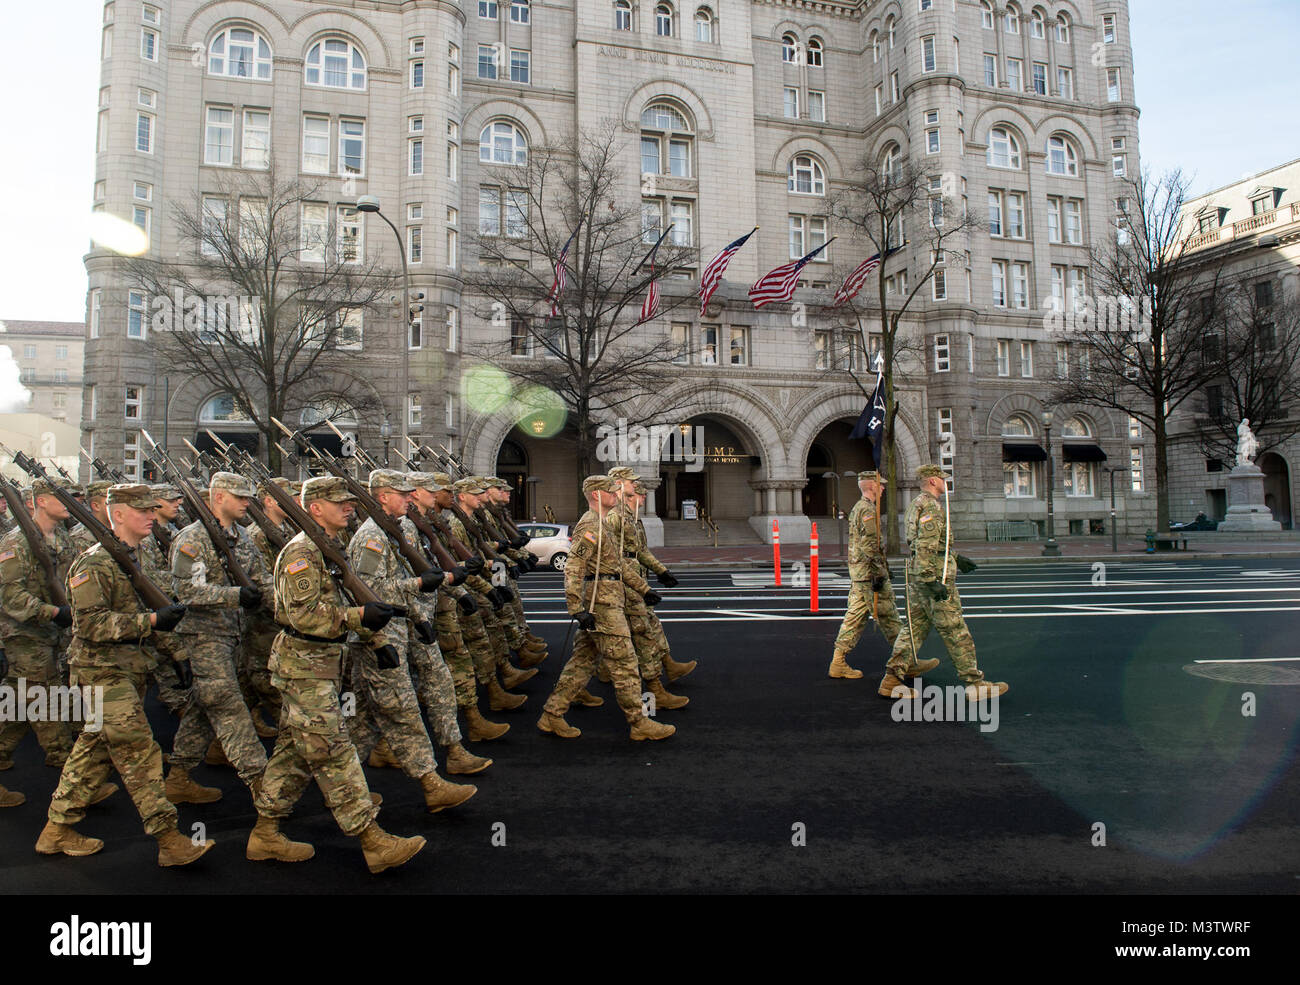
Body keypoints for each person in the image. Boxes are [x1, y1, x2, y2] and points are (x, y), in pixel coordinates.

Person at [247, 475, 425, 873]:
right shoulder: (301, 555)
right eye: (339, 502)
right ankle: (372, 839)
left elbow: (343, 599)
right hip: (303, 668)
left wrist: (377, 642)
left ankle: (265, 833)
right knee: (334, 752)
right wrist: (358, 616)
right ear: (315, 509)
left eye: (349, 502)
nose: (349, 507)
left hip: (321, 665)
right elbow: (304, 616)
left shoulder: (329, 549)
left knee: (292, 756)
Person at [37, 483, 211, 867]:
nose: (152, 515)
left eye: (153, 509)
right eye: (142, 510)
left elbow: (161, 609)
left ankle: (56, 830)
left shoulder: (144, 553)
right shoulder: (94, 563)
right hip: (100, 673)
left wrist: (175, 652)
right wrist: (149, 622)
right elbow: (91, 625)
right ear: (117, 514)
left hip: (133, 670)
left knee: (93, 752)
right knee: (138, 751)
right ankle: (170, 840)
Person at [538, 475, 674, 742]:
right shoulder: (589, 526)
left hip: (608, 598)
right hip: (602, 604)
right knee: (624, 663)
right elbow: (574, 568)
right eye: (611, 492)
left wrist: (644, 589)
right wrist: (576, 607)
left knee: (582, 661)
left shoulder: (601, 525)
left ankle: (552, 715)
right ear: (597, 495)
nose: (616, 495)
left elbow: (619, 566)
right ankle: (638, 722)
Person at [164, 472, 270, 804]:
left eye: (248, 497)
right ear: (219, 497)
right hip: (203, 636)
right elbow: (185, 591)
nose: (246, 503)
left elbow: (260, 579)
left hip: (233, 635)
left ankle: (178, 776)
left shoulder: (242, 537)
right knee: (228, 707)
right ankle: (264, 786)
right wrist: (235, 595)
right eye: (239, 497)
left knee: (203, 705)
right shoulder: (191, 539)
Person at [879, 465, 1008, 701]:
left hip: (919, 573)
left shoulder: (916, 504)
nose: (945, 482)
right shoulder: (930, 506)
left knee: (914, 629)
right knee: (955, 628)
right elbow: (927, 544)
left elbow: (923, 543)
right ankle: (974, 682)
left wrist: (957, 558)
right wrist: (932, 580)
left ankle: (892, 679)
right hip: (934, 576)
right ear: (931, 481)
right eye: (941, 478)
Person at [0, 477, 79, 769]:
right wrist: (54, 613)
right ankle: (65, 760)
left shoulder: (62, 539)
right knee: (44, 694)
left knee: (19, 700)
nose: (69, 502)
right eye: (62, 497)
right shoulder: (15, 542)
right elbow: (11, 597)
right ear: (41, 501)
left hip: (52, 634)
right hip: (22, 633)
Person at [829, 470, 935, 680]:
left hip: (861, 574)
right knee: (890, 617)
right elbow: (870, 544)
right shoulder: (867, 510)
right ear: (871, 486)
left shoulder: (860, 508)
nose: (884, 487)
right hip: (870, 575)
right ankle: (908, 662)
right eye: (881, 484)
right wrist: (879, 571)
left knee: (855, 619)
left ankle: (838, 662)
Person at [604, 467, 688, 709]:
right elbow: (616, 557)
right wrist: (640, 587)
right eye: (634, 486)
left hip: (634, 579)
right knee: (642, 632)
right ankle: (654, 690)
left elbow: (639, 551)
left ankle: (666, 666)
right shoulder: (615, 517)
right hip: (625, 583)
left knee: (641, 627)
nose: (641, 495)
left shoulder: (631, 517)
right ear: (621, 485)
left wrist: (661, 571)